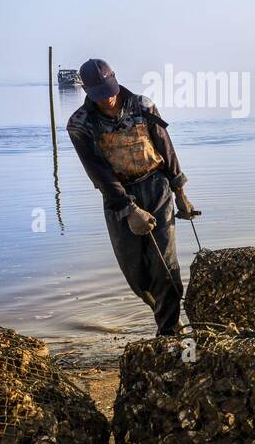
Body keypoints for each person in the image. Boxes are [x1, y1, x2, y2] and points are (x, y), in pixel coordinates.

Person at [66, 59, 197, 335]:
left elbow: (166, 148)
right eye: (100, 95)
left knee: (165, 262)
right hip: (118, 195)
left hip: (156, 186)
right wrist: (129, 209)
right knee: (136, 273)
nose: (108, 98)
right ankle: (164, 314)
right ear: (87, 91)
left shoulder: (143, 105)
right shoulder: (80, 123)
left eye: (110, 90)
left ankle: (170, 330)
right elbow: (98, 171)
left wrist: (181, 192)